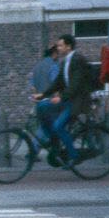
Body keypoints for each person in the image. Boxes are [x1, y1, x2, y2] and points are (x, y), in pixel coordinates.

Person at [33, 33, 94, 166]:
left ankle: (74, 156)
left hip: (77, 102)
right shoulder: (65, 61)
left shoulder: (78, 60)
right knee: (42, 107)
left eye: (60, 46)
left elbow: (75, 85)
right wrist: (43, 95)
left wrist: (61, 97)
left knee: (58, 126)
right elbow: (58, 83)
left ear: (68, 46)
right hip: (67, 100)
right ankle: (53, 141)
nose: (58, 48)